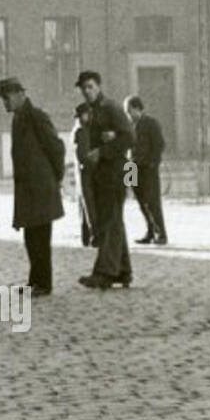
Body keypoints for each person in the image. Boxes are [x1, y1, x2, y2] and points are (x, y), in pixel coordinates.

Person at [0, 77, 65, 295]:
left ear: (19, 94)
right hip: (28, 189)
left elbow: (56, 147)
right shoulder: (18, 119)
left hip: (41, 188)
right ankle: (34, 281)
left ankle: (43, 284)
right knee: (31, 236)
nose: (4, 103)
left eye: (6, 98)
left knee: (40, 237)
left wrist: (55, 177)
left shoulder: (36, 116)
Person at [76, 71, 134, 289]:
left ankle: (104, 273)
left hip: (115, 173)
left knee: (110, 221)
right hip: (102, 176)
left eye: (90, 87)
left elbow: (129, 137)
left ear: (99, 86)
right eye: (83, 89)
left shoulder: (111, 107)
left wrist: (102, 151)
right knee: (113, 221)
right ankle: (123, 270)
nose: (87, 92)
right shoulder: (92, 112)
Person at [126, 95, 168, 245]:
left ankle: (161, 233)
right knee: (140, 202)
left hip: (147, 168)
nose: (128, 115)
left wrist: (153, 164)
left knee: (152, 202)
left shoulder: (151, 123)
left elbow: (159, 145)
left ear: (138, 108)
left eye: (129, 111)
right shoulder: (129, 125)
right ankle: (150, 232)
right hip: (132, 167)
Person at [72, 102, 99, 247]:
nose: (89, 116)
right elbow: (82, 155)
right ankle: (95, 235)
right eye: (87, 114)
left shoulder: (83, 129)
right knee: (89, 205)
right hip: (86, 172)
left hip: (85, 172)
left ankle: (86, 236)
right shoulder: (81, 131)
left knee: (84, 205)